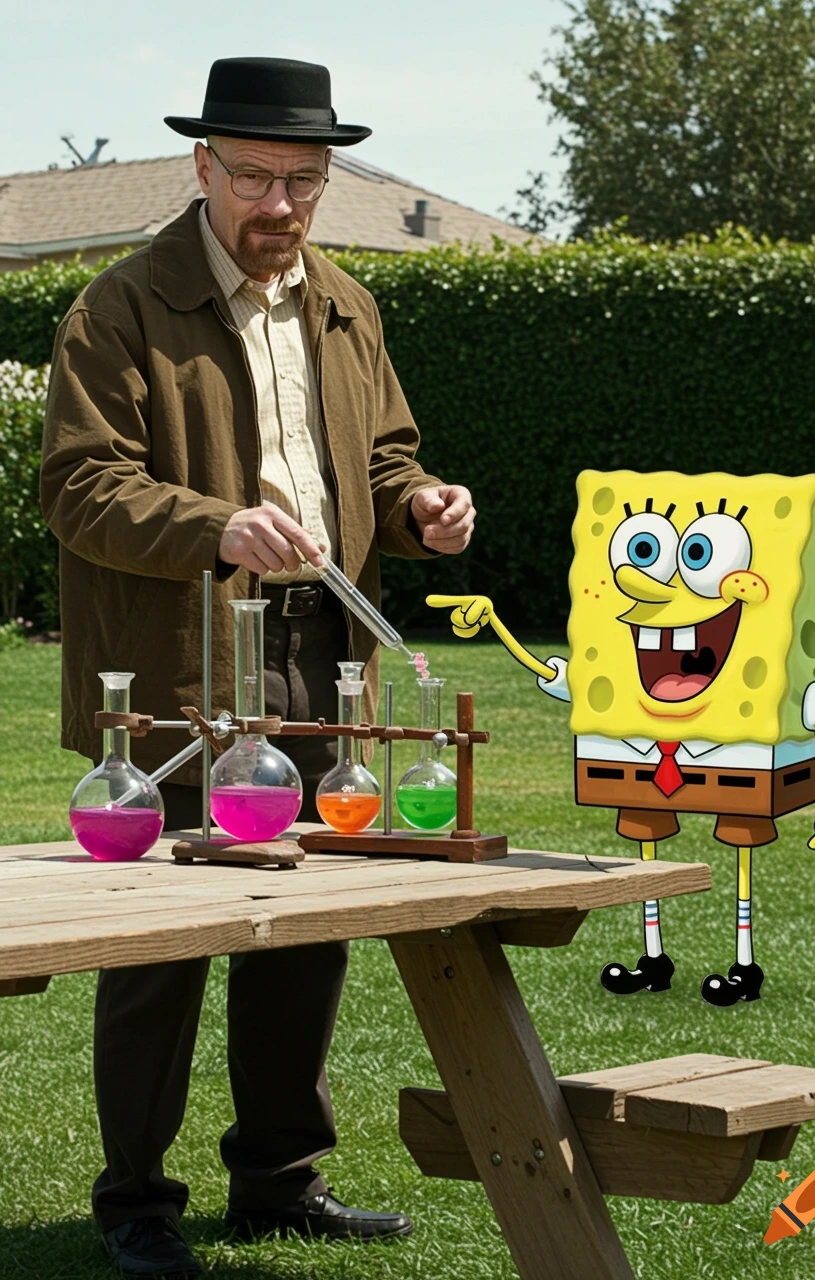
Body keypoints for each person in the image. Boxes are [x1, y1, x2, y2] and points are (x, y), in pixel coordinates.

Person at [40, 56, 475, 1279]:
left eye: (303, 181)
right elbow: (80, 486)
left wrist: (420, 505)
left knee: (304, 923)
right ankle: (135, 1199)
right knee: (162, 937)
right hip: (180, 653)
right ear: (202, 166)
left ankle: (279, 1179)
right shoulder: (120, 306)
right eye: (253, 178)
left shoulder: (346, 305)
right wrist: (215, 525)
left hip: (324, 648)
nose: (279, 204)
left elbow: (381, 459)